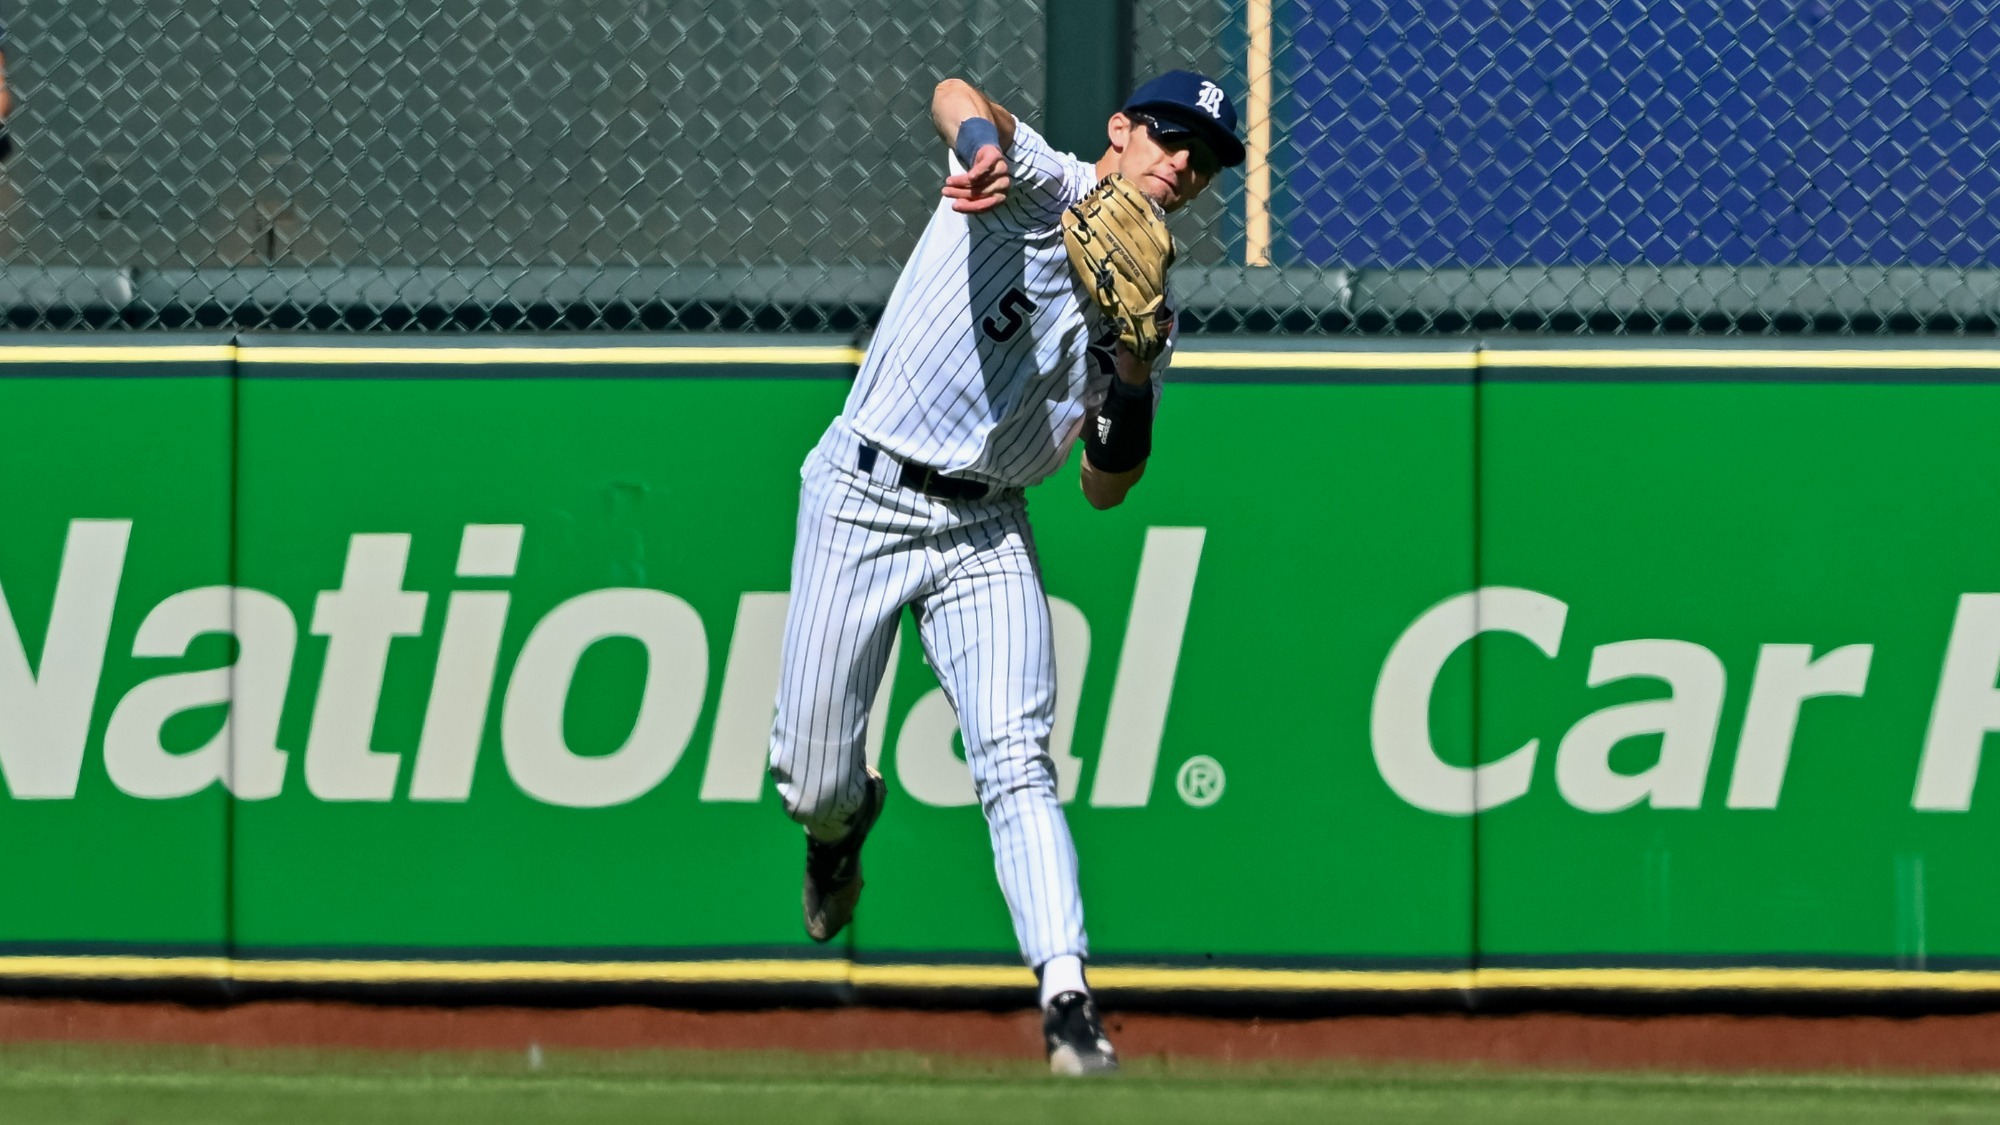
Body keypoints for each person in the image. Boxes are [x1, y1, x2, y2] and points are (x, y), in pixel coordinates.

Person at [767, 70, 1244, 1076]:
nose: (1180, 164)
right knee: (808, 784)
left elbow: (1104, 491)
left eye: (1202, 161)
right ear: (1118, 132)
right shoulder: (1040, 184)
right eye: (1167, 137)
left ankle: (1068, 1003)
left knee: (1015, 761)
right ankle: (840, 826)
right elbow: (949, 91)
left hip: (985, 525)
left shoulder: (1146, 313)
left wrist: (1126, 372)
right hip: (862, 493)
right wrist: (979, 148)